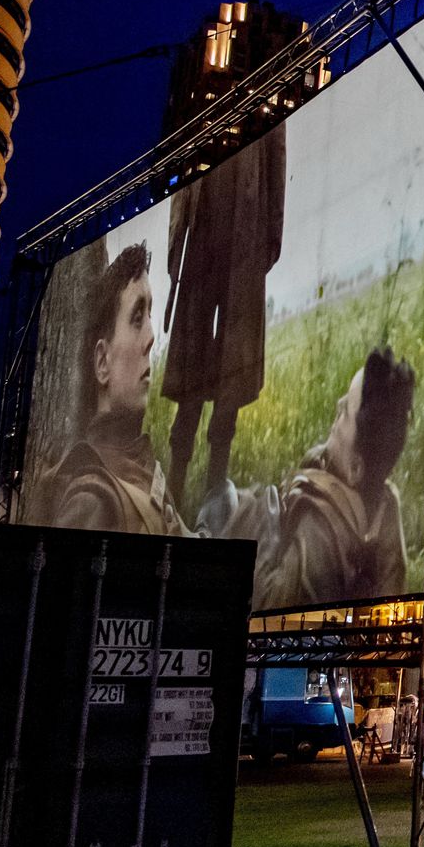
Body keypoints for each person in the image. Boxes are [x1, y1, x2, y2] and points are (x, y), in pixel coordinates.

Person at [160, 68, 286, 515]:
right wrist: (177, 243)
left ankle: (216, 479)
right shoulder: (203, 92)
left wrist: (271, 236)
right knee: (193, 359)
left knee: (233, 364)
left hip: (244, 237)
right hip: (203, 237)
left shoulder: (269, 93)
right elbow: (182, 171)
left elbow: (276, 156)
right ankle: (176, 474)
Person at [204, 348, 417, 610]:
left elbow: (270, 606)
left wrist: (260, 511)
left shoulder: (319, 526)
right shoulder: (386, 506)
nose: (337, 409)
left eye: (344, 413)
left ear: (355, 469)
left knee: (220, 501)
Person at [36, 244, 187, 535]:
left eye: (150, 315)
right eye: (137, 318)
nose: (152, 337)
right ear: (102, 362)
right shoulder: (92, 500)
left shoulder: (141, 471)